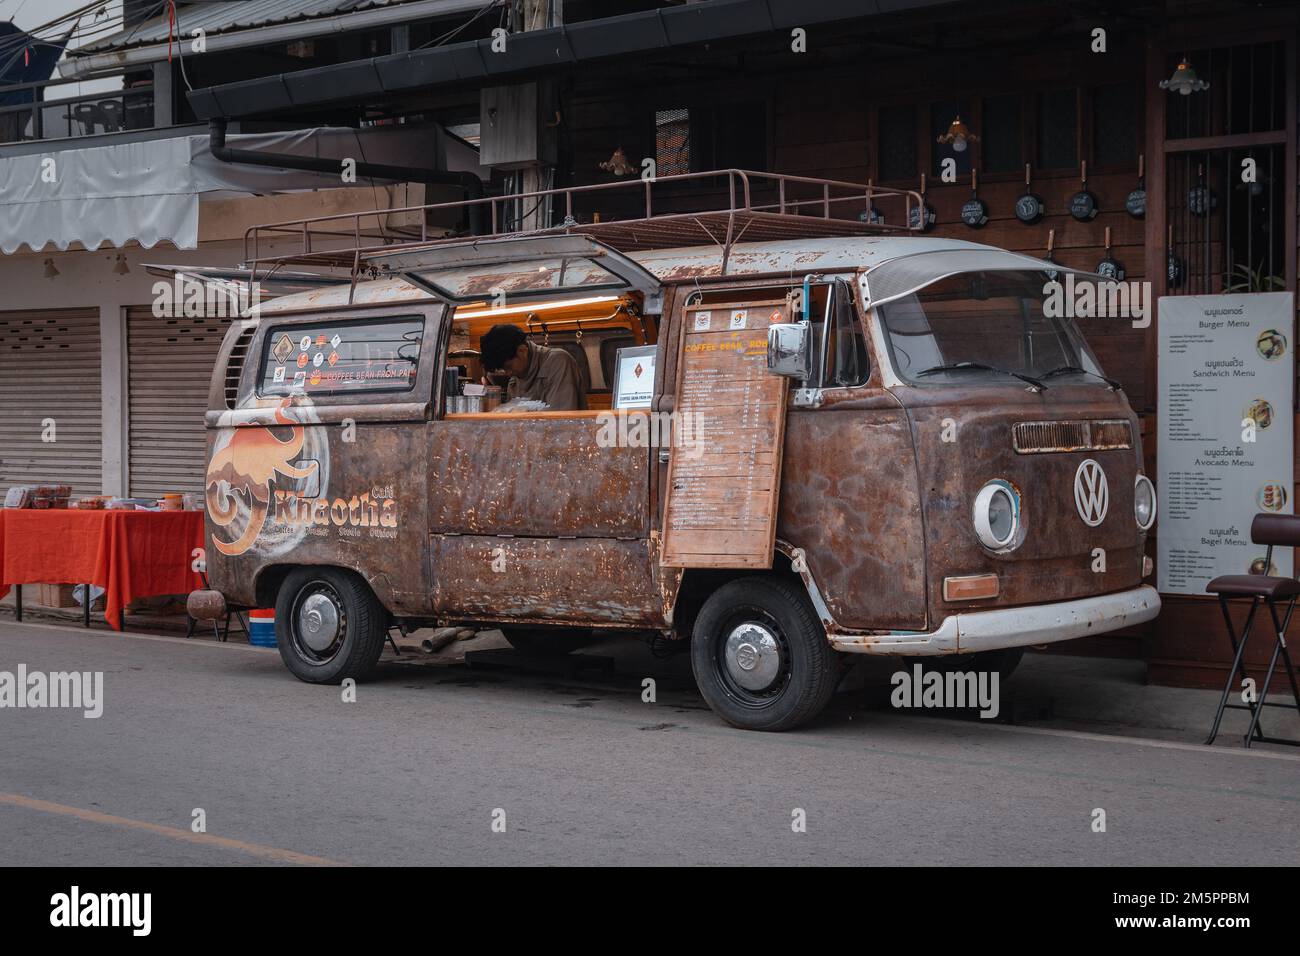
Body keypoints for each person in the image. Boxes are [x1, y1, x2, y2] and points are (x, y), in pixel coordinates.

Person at [478, 324, 586, 411]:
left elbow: (561, 420)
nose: (508, 373)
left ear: (522, 351)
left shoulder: (558, 362)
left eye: (508, 367)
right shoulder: (515, 378)